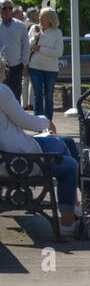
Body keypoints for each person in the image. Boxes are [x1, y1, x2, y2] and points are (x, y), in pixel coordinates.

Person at [0, 81, 79, 229]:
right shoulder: (1, 91)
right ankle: (70, 215)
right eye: (4, 70)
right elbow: (24, 120)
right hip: (19, 159)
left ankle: (73, 206)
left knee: (66, 142)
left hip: (8, 157)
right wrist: (46, 122)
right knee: (70, 163)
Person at [27, 7, 63, 122]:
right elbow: (27, 46)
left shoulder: (57, 32)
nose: (39, 18)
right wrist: (34, 38)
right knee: (38, 94)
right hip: (35, 66)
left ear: (49, 19)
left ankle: (48, 123)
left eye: (42, 17)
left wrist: (40, 49)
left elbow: (58, 52)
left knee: (48, 96)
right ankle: (38, 123)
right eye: (39, 16)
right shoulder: (34, 28)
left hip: (51, 69)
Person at [0, 0, 31, 102]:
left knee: (15, 95)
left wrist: (23, 62)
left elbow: (26, 45)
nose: (8, 10)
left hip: (16, 66)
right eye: (4, 8)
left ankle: (16, 118)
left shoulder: (20, 26)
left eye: (10, 8)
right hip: (0, 68)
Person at [22, 7, 39, 109]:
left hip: (23, 56)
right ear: (32, 15)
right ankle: (30, 103)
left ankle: (23, 104)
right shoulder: (34, 27)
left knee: (24, 81)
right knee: (31, 81)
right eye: (37, 14)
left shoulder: (22, 24)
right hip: (32, 56)